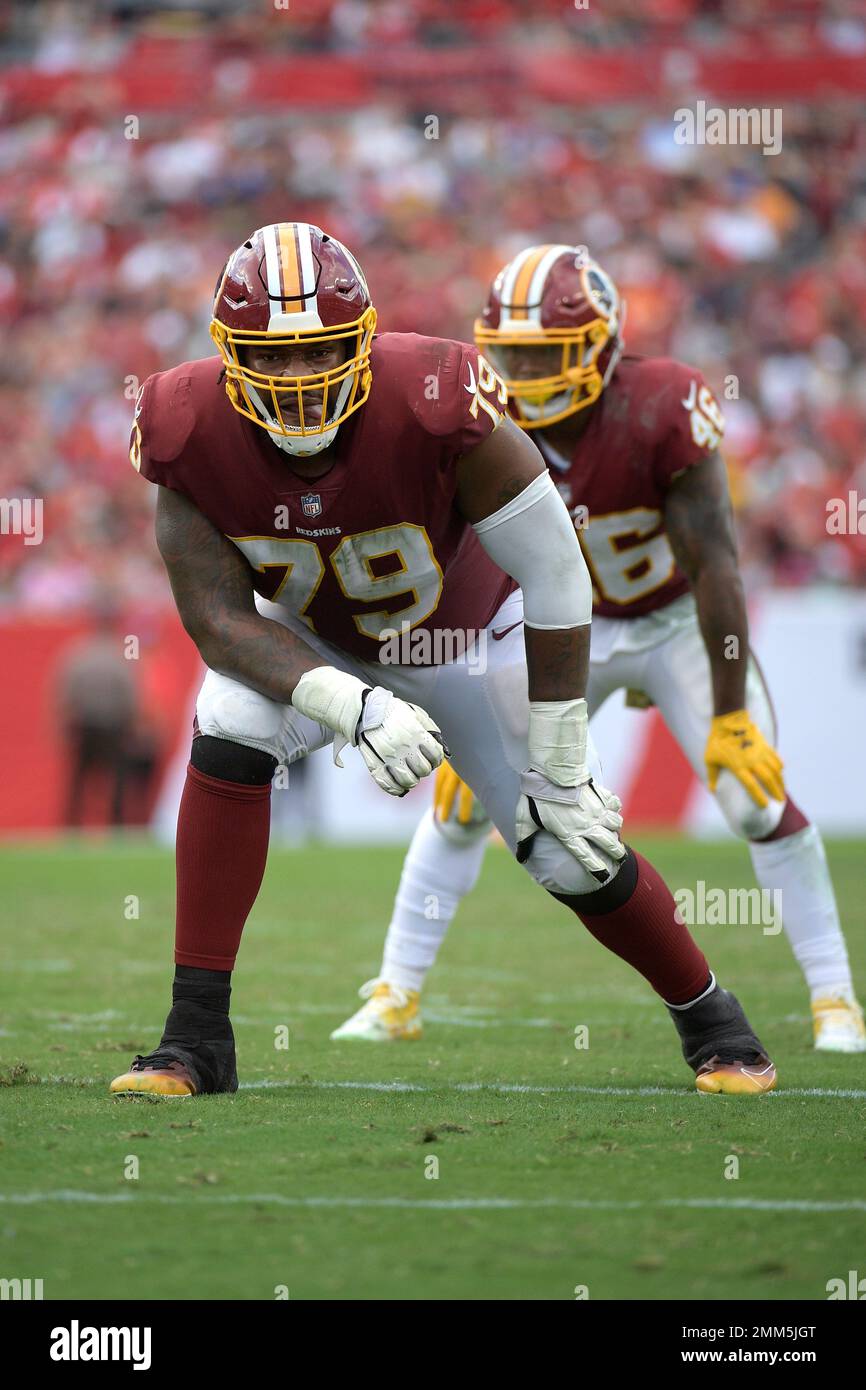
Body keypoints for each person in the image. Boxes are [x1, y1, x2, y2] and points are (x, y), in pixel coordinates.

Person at [110, 223, 776, 1099]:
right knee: (230, 715)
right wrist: (355, 706)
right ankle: (194, 1040)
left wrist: (564, 759)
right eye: (272, 358)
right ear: (230, 356)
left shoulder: (435, 395)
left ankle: (714, 1020)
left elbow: (556, 575)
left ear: (366, 342)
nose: (299, 380)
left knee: (565, 846)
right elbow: (218, 623)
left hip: (469, 640)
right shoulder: (185, 424)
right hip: (317, 641)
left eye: (320, 354)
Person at [331, 243, 863, 1056]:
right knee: (465, 801)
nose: (526, 372)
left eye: (546, 353)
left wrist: (730, 713)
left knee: (752, 791)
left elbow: (716, 562)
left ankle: (833, 997)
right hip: (555, 628)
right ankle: (397, 992)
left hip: (670, 620)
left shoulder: (662, 406)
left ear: (603, 345)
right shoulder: (476, 417)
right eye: (509, 353)